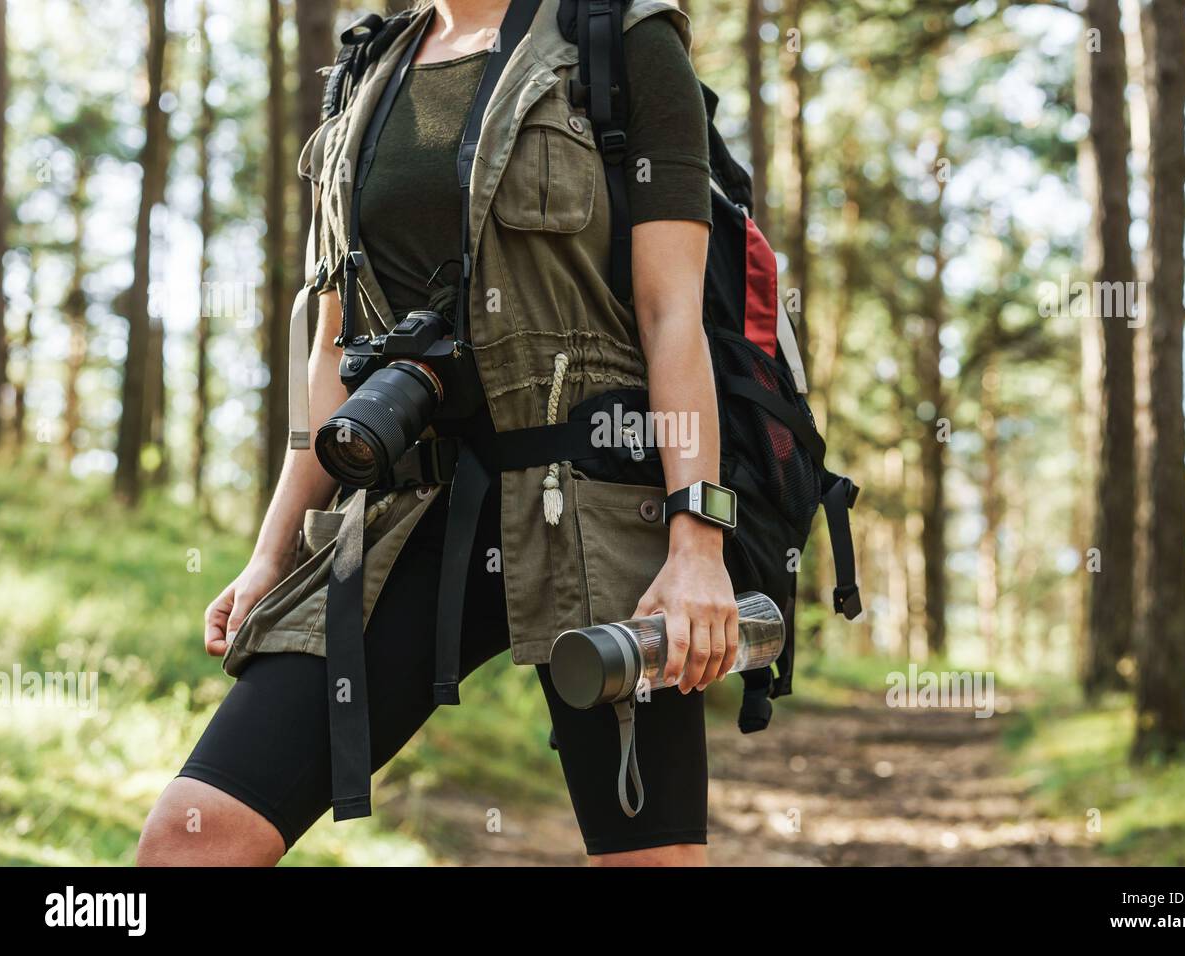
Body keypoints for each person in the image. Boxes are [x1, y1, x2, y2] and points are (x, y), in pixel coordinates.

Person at [137, 0, 738, 867]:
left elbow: (671, 312)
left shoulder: (620, 41)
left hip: (597, 520)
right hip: (404, 511)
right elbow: (333, 345)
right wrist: (271, 553)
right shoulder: (364, 72)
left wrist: (697, 543)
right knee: (190, 840)